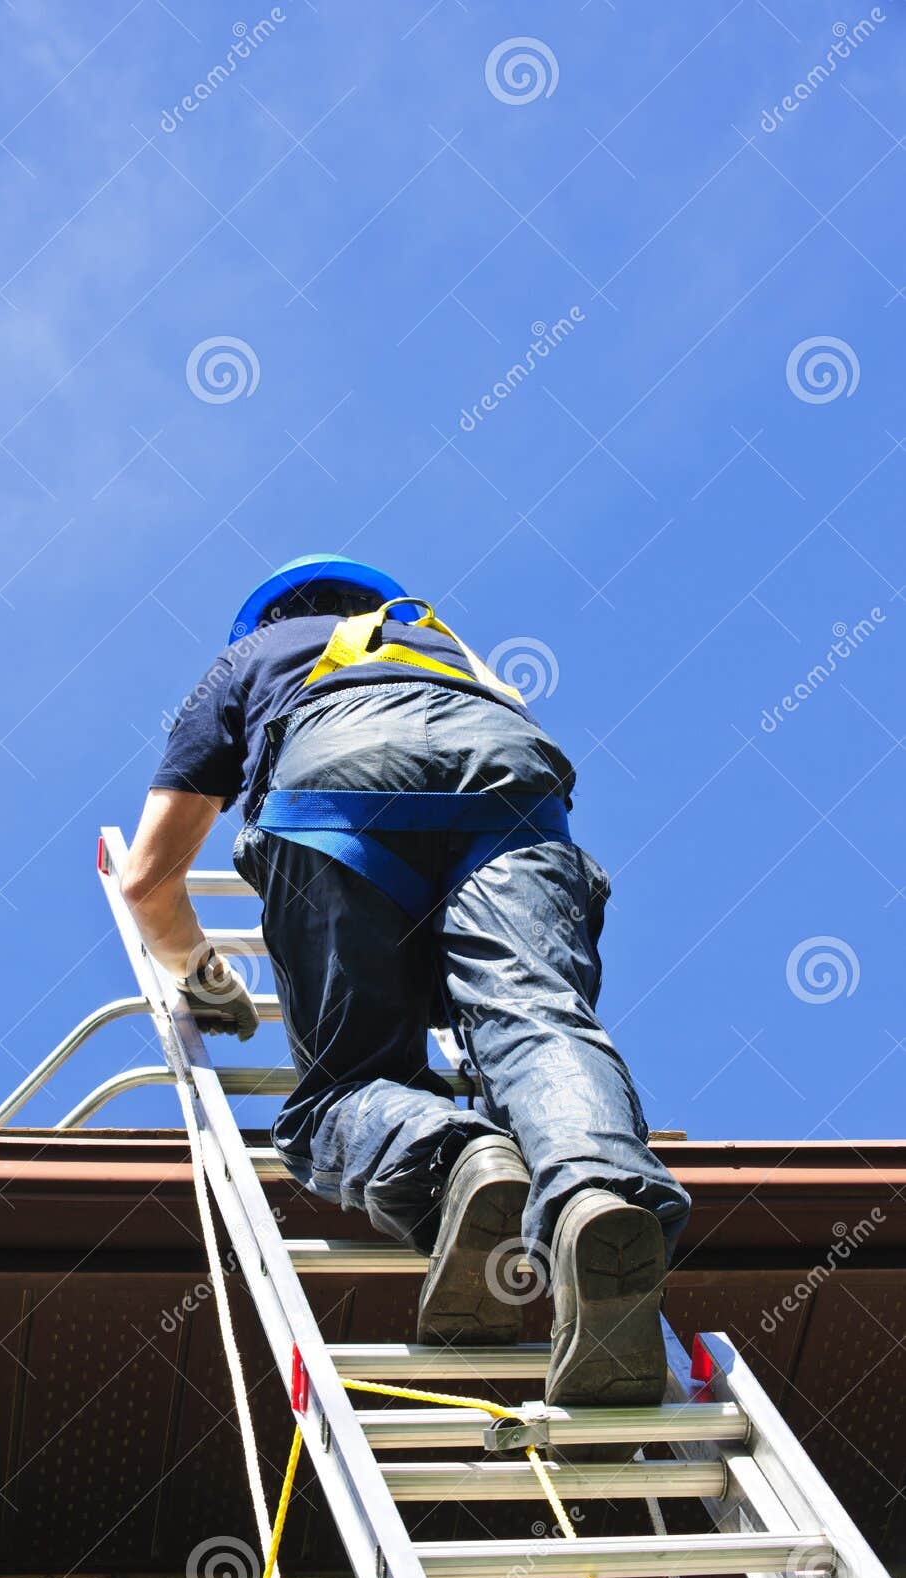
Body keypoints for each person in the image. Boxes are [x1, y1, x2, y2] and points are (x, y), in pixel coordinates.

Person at [122, 554, 691, 1405]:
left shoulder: (252, 661)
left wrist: (205, 978)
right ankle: (596, 1197)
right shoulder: (453, 652)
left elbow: (146, 882)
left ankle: (458, 1159)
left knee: (340, 1092)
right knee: (535, 1021)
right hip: (509, 791)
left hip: (336, 796)